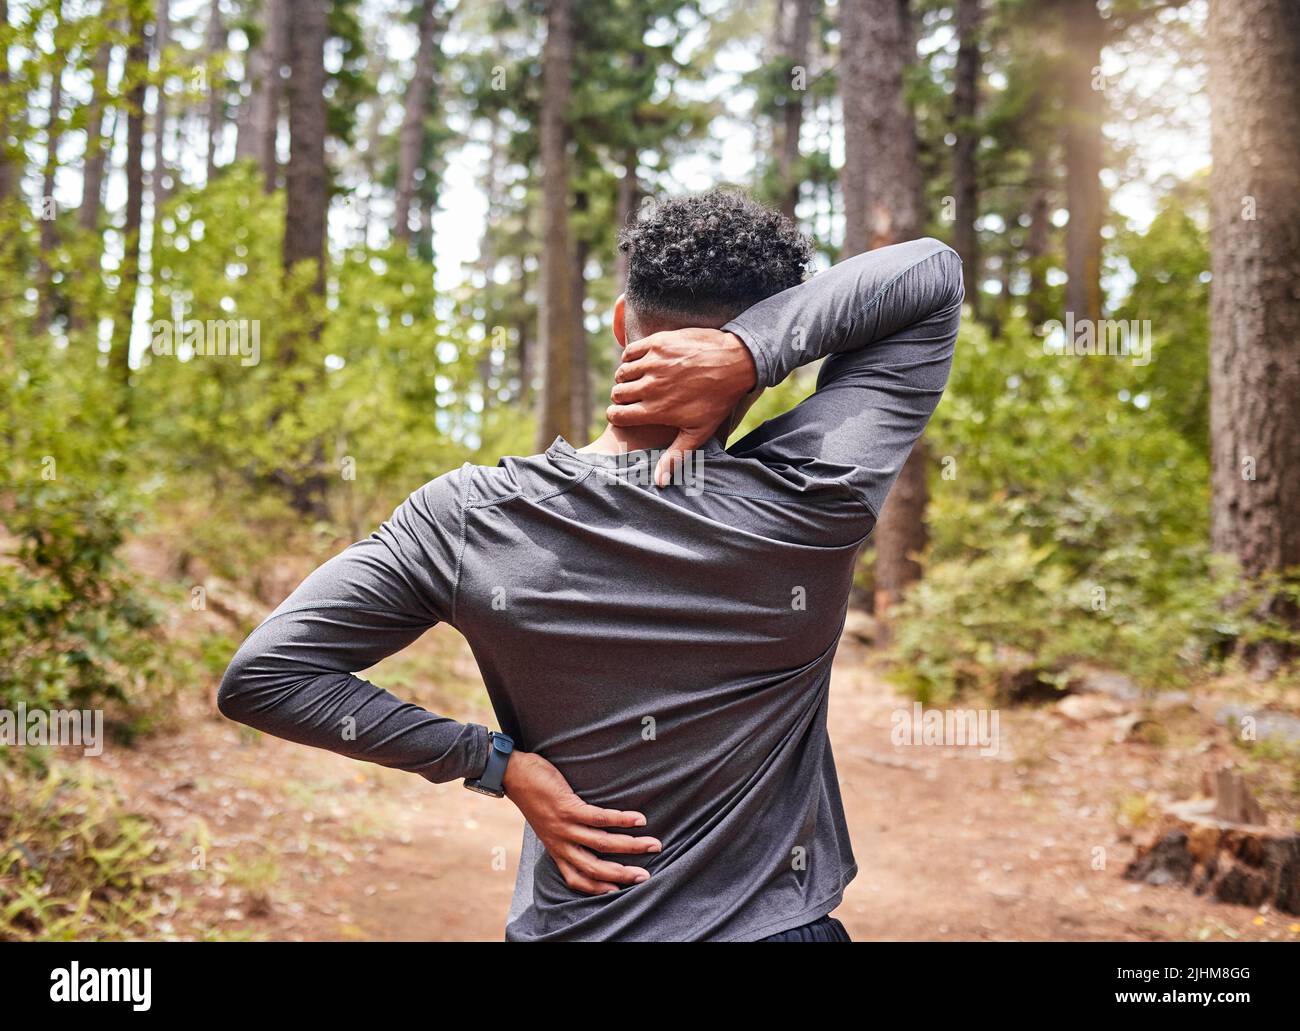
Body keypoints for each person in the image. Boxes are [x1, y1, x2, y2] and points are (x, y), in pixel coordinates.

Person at [219, 190, 963, 941]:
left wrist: (494, 763)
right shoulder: (813, 497)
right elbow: (931, 274)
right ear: (759, 373)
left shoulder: (472, 516)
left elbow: (265, 677)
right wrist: (752, 350)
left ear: (620, 324)